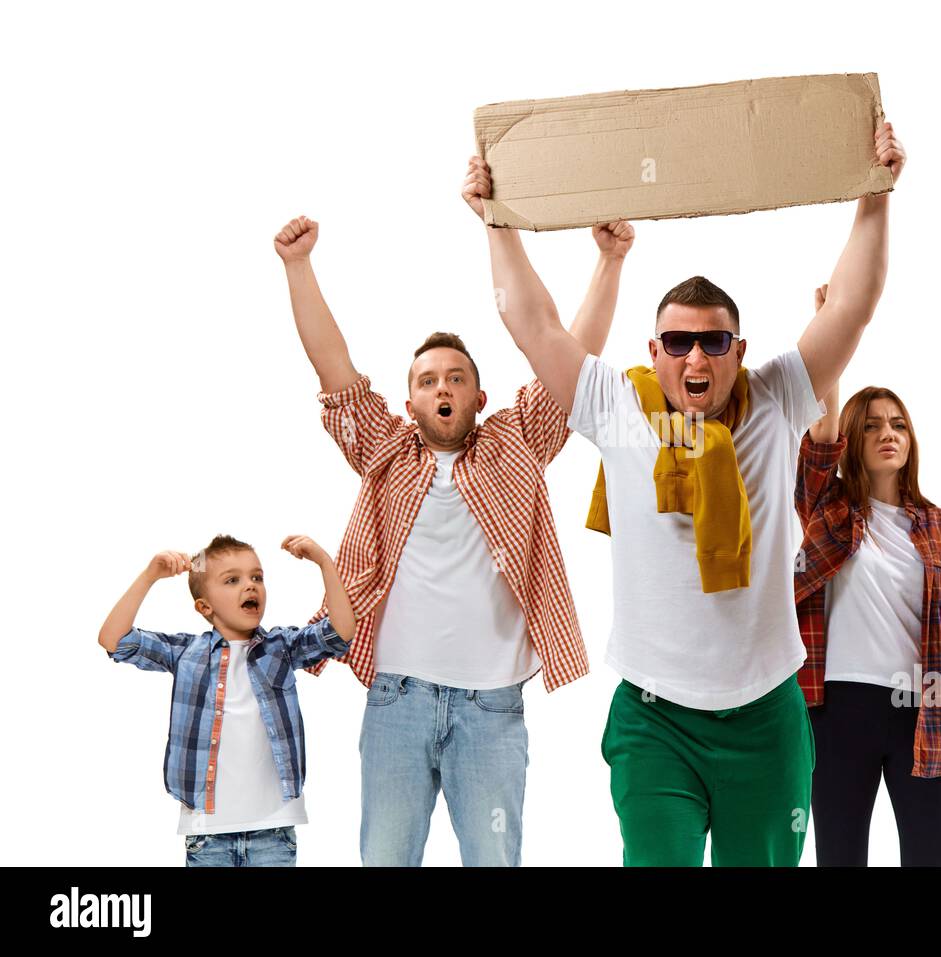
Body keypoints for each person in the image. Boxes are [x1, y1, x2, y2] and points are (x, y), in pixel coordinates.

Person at [462, 120, 905, 865]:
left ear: (739, 351)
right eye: (677, 342)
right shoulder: (615, 405)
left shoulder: (776, 401)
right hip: (655, 722)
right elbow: (529, 319)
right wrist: (495, 219)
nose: (694, 356)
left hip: (766, 721)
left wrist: (876, 193)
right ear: (654, 352)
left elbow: (851, 307)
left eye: (712, 341)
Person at [273, 213, 633, 866]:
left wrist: (609, 261)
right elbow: (334, 368)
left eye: (455, 377)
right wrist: (299, 267)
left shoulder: (515, 442)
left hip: (490, 709)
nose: (442, 386)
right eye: (427, 380)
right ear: (409, 402)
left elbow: (572, 363)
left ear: (479, 394)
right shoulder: (385, 451)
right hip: (396, 701)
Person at [794, 283, 941, 866]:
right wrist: (832, 328)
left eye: (899, 425)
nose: (888, 434)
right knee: (840, 858)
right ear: (854, 439)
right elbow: (820, 436)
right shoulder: (827, 509)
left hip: (925, 709)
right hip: (838, 707)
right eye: (873, 426)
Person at [99, 533, 355, 866]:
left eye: (257, 577)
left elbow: (341, 632)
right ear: (205, 606)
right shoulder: (185, 652)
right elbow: (113, 640)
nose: (250, 586)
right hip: (207, 835)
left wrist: (324, 562)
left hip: (274, 832)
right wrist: (150, 575)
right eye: (232, 580)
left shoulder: (282, 647)